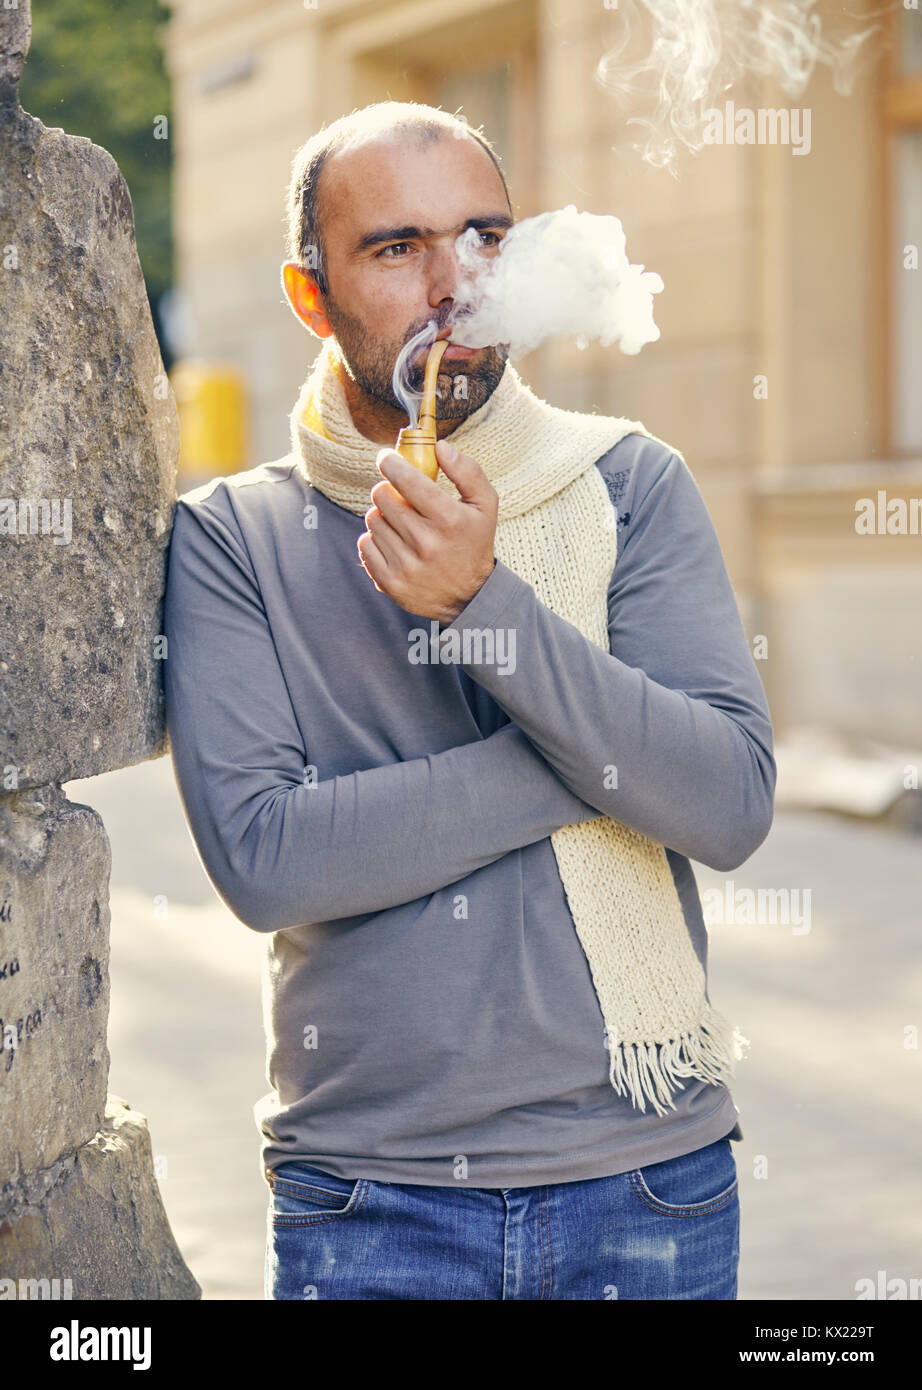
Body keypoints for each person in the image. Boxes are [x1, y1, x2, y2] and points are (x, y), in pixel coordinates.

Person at [162, 101, 775, 1301]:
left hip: (648, 1182)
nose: (456, 282)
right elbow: (269, 861)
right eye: (397, 248)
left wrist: (484, 606)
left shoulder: (629, 481)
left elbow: (727, 804)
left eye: (484, 236)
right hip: (369, 1198)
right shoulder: (233, 536)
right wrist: (596, 753)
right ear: (311, 295)